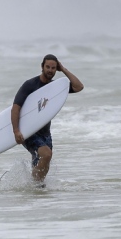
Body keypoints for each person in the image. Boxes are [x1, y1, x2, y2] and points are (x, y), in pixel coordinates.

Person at [13, 54, 84, 184]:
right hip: (29, 131)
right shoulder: (30, 85)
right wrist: (16, 131)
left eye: (53, 68)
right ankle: (34, 185)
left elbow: (78, 87)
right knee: (46, 154)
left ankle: (36, 189)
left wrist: (63, 69)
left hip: (45, 133)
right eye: (47, 67)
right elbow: (15, 108)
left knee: (43, 164)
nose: (50, 70)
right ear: (42, 66)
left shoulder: (56, 88)